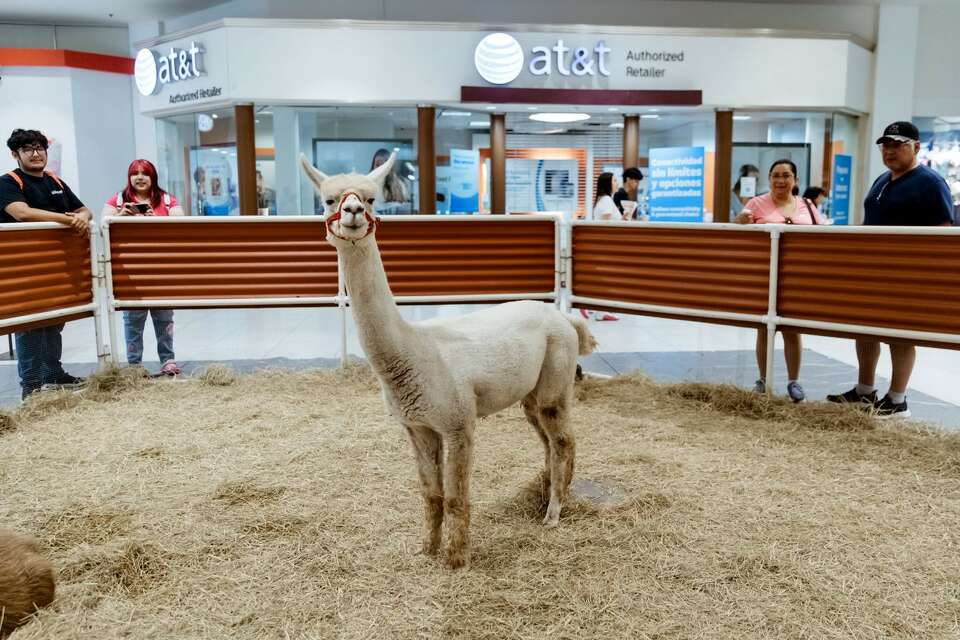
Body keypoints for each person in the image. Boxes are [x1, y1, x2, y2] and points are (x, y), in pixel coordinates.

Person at [827, 121, 954, 417]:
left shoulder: (931, 183)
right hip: (871, 272)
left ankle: (897, 399)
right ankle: (864, 391)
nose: (890, 150)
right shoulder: (882, 180)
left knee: (900, 334)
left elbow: (943, 234)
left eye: (898, 144)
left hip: (907, 275)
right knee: (864, 329)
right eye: (886, 145)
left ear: (917, 147)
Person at [0, 128, 92, 399]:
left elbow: (83, 209)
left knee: (54, 320)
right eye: (28, 149)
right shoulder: (8, 182)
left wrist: (82, 218)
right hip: (22, 269)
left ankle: (53, 373)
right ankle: (31, 386)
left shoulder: (55, 181)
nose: (36, 153)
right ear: (15, 154)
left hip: (54, 266)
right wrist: (67, 220)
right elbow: (21, 213)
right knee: (29, 324)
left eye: (40, 148)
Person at [735, 159, 824, 403]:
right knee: (764, 328)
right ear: (769, 179)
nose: (780, 180)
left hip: (798, 277)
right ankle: (763, 380)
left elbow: (821, 235)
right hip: (764, 274)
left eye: (786, 175)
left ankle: (794, 381)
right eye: (775, 175)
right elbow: (738, 233)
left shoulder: (807, 205)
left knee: (793, 329)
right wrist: (740, 222)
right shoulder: (755, 203)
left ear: (795, 179)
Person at [101, 159, 185, 376]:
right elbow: (102, 226)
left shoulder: (167, 200)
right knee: (132, 322)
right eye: (135, 173)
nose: (139, 177)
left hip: (162, 270)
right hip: (130, 271)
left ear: (153, 177)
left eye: (145, 173)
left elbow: (182, 224)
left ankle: (168, 360)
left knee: (164, 318)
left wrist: (155, 219)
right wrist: (120, 216)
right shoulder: (118, 200)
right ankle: (135, 366)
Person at [370, 148, 409, 212]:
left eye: (383, 165)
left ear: (389, 167)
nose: (380, 168)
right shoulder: (368, 185)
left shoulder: (400, 186)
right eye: (377, 164)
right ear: (373, 166)